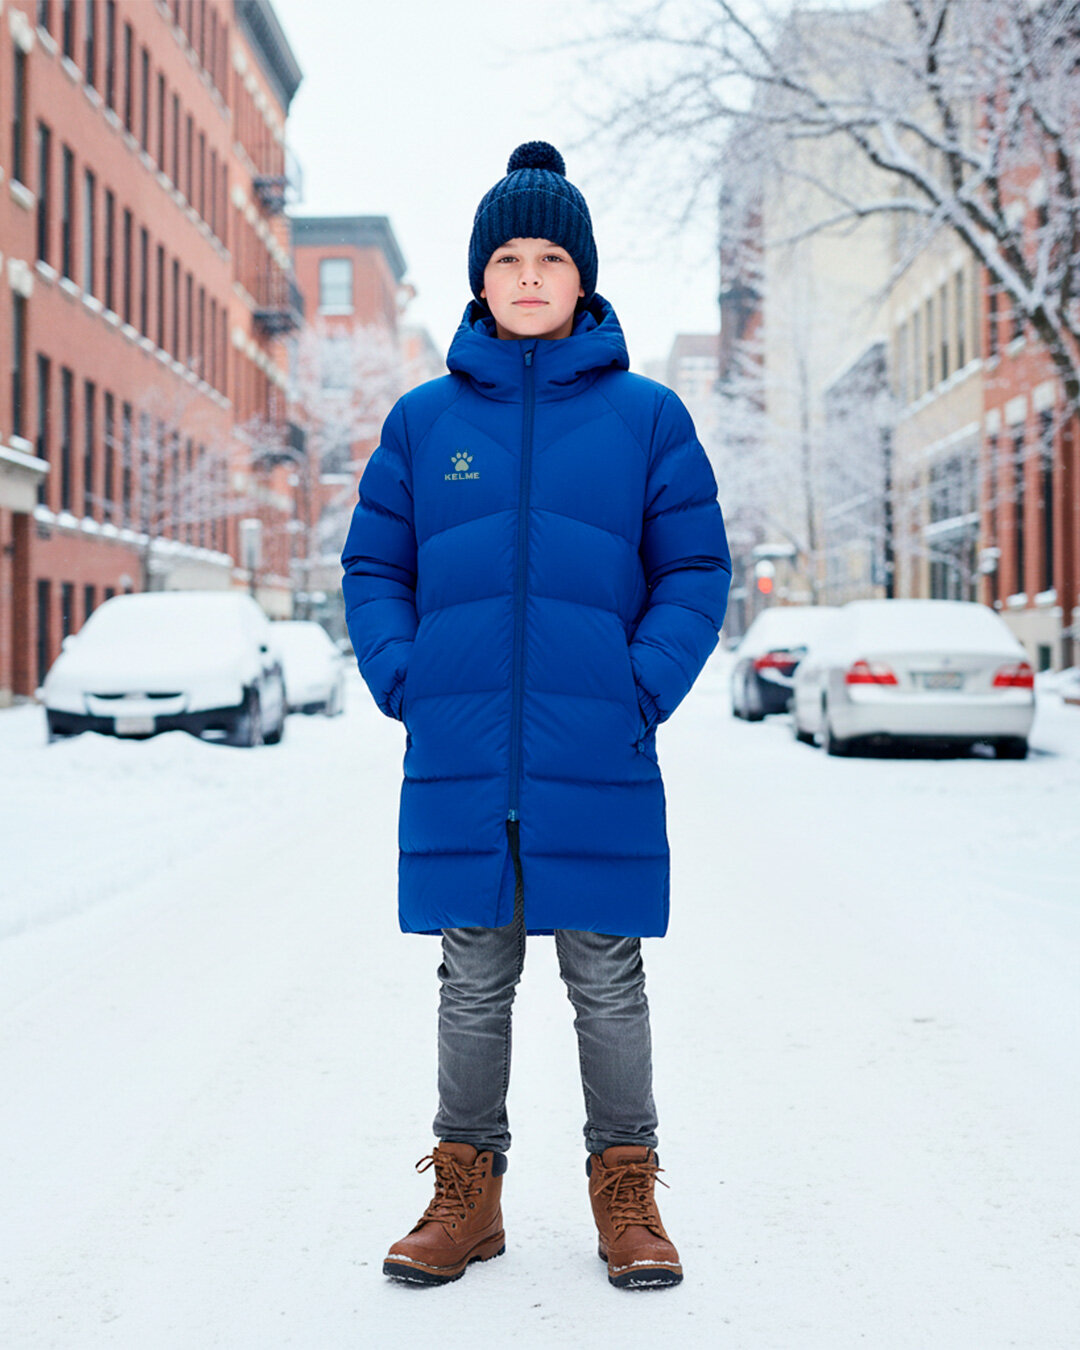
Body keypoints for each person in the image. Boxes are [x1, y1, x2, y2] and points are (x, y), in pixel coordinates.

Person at [340, 141, 731, 1290]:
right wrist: (405, 675)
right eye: (507, 257)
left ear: (582, 277)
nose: (526, 275)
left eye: (549, 258)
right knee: (472, 974)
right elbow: (375, 566)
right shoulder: (424, 422)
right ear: (479, 277)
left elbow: (694, 568)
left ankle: (626, 1191)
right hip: (464, 746)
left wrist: (639, 684)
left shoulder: (646, 417)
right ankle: (467, 1194)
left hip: (595, 741)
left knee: (606, 975)